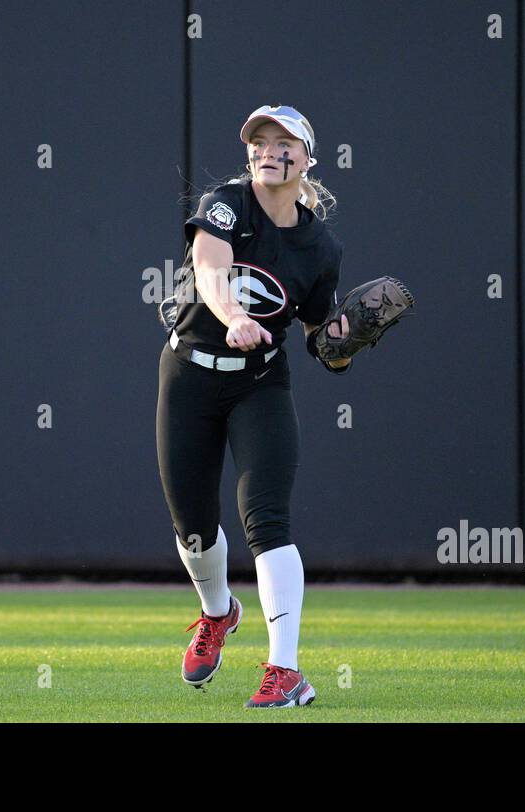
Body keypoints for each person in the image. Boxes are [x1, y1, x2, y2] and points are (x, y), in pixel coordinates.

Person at [155, 104, 351, 708]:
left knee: (265, 519)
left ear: (307, 159)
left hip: (260, 383)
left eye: (283, 142)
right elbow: (210, 270)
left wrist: (341, 347)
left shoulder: (319, 246)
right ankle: (219, 612)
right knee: (192, 527)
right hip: (189, 372)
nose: (270, 150)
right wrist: (235, 315)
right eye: (259, 141)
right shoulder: (226, 203)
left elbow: (324, 337)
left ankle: (286, 669)